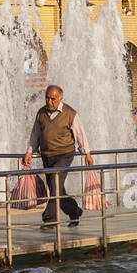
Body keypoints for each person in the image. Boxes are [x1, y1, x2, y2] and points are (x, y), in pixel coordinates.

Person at [23, 84, 94, 228]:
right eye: (47, 98)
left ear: (60, 98)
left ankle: (50, 220)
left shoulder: (70, 113)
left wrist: (86, 152)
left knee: (55, 185)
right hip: (47, 155)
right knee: (57, 190)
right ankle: (74, 211)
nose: (49, 101)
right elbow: (35, 134)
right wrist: (30, 151)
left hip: (64, 155)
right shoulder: (41, 113)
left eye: (53, 99)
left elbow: (80, 133)